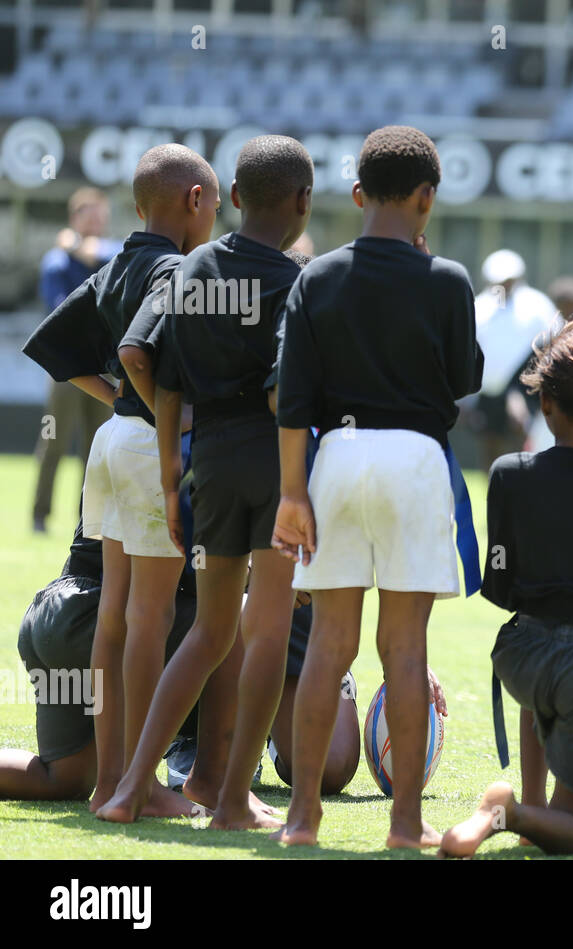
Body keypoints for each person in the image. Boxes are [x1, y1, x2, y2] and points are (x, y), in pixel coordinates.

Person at [271, 125, 482, 849]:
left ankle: (302, 819)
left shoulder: (315, 277)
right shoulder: (449, 280)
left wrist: (291, 495)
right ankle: (404, 823)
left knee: (329, 645)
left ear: (357, 194)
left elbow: (293, 398)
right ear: (428, 199)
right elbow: (465, 381)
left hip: (335, 459)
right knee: (405, 649)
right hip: (415, 460)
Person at [98, 135, 315, 829]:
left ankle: (131, 787)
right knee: (267, 628)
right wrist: (295, 487)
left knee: (209, 630)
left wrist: (170, 480)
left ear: (237, 198)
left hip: (209, 463)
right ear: (303, 203)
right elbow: (289, 395)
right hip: (273, 459)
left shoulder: (188, 269)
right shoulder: (296, 282)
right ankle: (229, 800)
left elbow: (153, 372)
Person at [22, 144, 219, 817]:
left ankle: (111, 780)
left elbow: (53, 346)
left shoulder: (115, 265)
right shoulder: (183, 269)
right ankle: (142, 783)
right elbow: (141, 352)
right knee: (150, 615)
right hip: (147, 448)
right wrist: (171, 414)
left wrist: (119, 402)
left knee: (116, 613)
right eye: (215, 207)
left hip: (111, 444)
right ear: (195, 201)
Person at [439, 319, 573, 857]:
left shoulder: (509, 473)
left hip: (523, 655)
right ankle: (511, 812)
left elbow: (501, 587)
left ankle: (528, 803)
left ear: (546, 406)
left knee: (541, 673)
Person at [3, 502, 359, 802]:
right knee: (234, 616)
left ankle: (231, 734)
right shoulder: (179, 449)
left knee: (64, 779)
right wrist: (259, 577)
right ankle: (209, 773)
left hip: (55, 622)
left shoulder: (125, 435)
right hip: (110, 623)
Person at [32, 188, 119, 533]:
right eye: (89, 214)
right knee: (53, 443)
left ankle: (86, 520)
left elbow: (119, 251)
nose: (97, 220)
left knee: (96, 449)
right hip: (67, 370)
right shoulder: (58, 260)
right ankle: (40, 515)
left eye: (101, 213)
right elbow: (58, 310)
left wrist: (80, 247)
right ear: (74, 217)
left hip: (102, 367)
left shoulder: (108, 256)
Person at [470, 249, 561, 461]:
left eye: (509, 280)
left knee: (520, 439)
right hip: (488, 391)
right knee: (490, 445)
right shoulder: (480, 307)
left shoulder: (538, 306)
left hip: (524, 389)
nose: (504, 285)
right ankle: (493, 491)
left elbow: (554, 343)